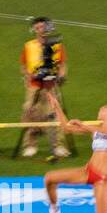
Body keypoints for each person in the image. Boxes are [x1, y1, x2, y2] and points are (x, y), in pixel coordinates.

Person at [19, 17, 69, 159]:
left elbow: (62, 64)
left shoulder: (56, 44)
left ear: (48, 28)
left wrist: (61, 76)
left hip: (51, 85)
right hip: (33, 86)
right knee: (30, 113)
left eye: (43, 26)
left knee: (54, 114)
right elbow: (23, 66)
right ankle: (30, 145)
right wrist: (29, 75)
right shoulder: (28, 46)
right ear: (34, 29)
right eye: (38, 27)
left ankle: (58, 145)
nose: (41, 29)